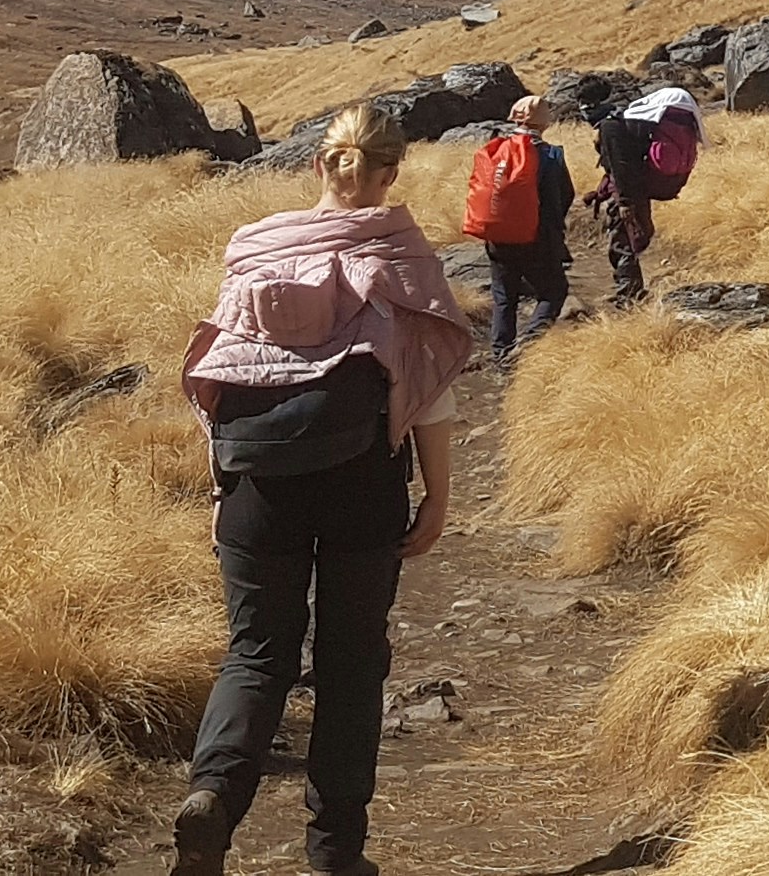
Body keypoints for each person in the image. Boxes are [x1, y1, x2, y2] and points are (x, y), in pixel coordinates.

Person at [172, 106, 473, 876]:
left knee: (255, 655)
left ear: (320, 166)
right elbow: (427, 392)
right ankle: (335, 854)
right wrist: (438, 497)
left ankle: (212, 795)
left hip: (254, 480)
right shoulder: (399, 252)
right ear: (389, 172)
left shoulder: (255, 245)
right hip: (360, 479)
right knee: (349, 662)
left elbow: (225, 362)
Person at [480, 93, 576, 358]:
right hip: (538, 238)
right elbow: (565, 195)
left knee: (504, 297)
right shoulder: (550, 155)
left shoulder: (495, 149)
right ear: (543, 121)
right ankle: (529, 344)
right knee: (554, 291)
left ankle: (501, 356)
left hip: (497, 237)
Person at [584, 83, 694, 308]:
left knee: (622, 241)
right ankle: (631, 290)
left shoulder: (610, 127)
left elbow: (619, 166)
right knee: (632, 237)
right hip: (639, 188)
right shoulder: (632, 121)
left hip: (628, 194)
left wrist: (624, 201)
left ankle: (629, 296)